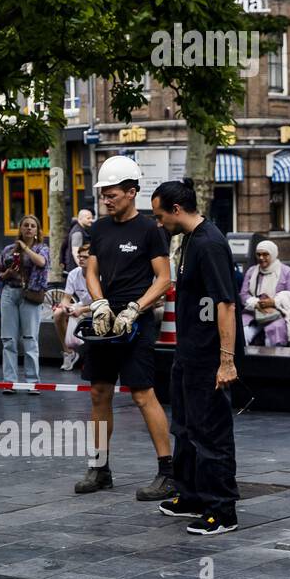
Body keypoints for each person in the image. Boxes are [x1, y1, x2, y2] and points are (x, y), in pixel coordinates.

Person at [77, 154, 174, 500]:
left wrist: (136, 308)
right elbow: (91, 270)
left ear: (132, 192)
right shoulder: (100, 228)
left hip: (136, 322)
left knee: (142, 393)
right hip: (104, 321)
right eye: (103, 193)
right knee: (98, 392)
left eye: (112, 193)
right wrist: (99, 301)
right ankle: (100, 469)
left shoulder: (150, 229)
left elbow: (164, 279)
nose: (106, 199)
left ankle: (167, 472)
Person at [151, 180, 242, 535]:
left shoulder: (210, 244)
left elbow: (227, 304)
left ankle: (222, 511)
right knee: (186, 429)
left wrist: (227, 360)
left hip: (209, 356)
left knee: (212, 433)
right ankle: (192, 495)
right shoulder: (188, 240)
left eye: (160, 216)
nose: (159, 223)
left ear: (176, 209)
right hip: (187, 353)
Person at [0, 216, 49, 389]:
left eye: (33, 226)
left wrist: (25, 247)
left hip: (30, 294)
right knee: (8, 339)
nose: (29, 229)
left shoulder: (42, 248)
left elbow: (41, 262)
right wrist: (6, 274)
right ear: (20, 228)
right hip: (10, 293)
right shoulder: (9, 249)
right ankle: (9, 381)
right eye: (25, 225)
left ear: (37, 230)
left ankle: (32, 382)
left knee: (30, 338)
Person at [240, 240, 290, 347]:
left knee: (275, 331)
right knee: (243, 331)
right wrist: (257, 303)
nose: (261, 258)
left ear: (273, 254)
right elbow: (243, 295)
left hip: (276, 314)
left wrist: (274, 302)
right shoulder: (251, 271)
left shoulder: (286, 271)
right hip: (253, 313)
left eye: (265, 254)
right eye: (258, 254)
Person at [53, 239, 93, 371]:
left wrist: (81, 310)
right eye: (79, 256)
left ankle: (92, 359)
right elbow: (66, 298)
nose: (81, 259)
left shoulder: (101, 274)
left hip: (100, 307)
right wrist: (66, 307)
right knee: (58, 313)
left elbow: (103, 302)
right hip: (83, 306)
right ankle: (69, 353)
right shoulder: (73, 274)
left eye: (85, 257)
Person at [62, 208, 95, 274]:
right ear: (80, 219)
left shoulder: (82, 230)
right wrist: (82, 268)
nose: (91, 220)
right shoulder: (78, 233)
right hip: (76, 269)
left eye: (92, 218)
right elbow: (75, 252)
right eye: (88, 218)